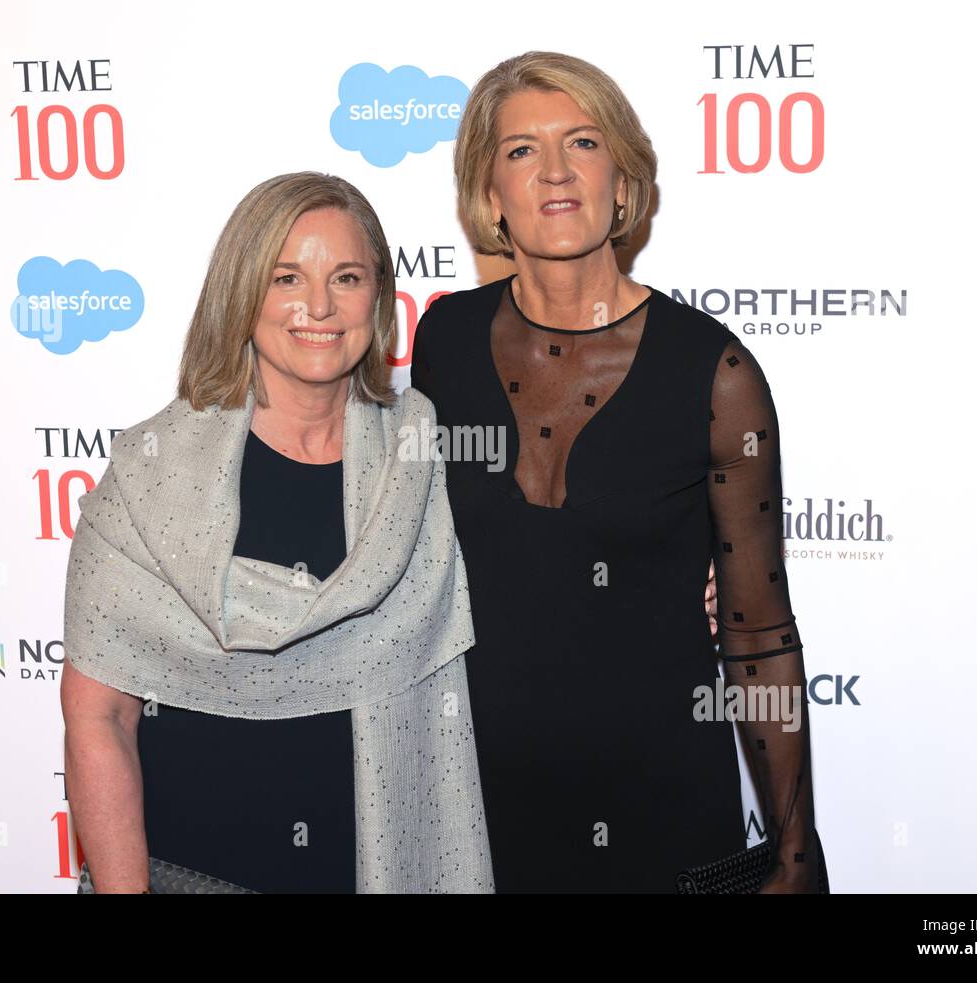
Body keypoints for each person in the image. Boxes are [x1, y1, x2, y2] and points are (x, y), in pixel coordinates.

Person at [410, 51, 828, 892]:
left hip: (663, 806)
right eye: (522, 150)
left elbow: (758, 634)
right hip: (478, 806)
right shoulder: (442, 342)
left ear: (624, 183)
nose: (556, 172)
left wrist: (793, 850)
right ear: (489, 196)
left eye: (584, 142)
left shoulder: (716, 372)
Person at [60, 172, 491, 894]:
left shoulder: (423, 461)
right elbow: (98, 716)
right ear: (242, 292)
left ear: (378, 298)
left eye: (346, 277)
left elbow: (547, 557)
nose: (318, 306)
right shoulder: (150, 478)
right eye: (288, 276)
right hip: (186, 875)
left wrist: (699, 578)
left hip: (380, 871)